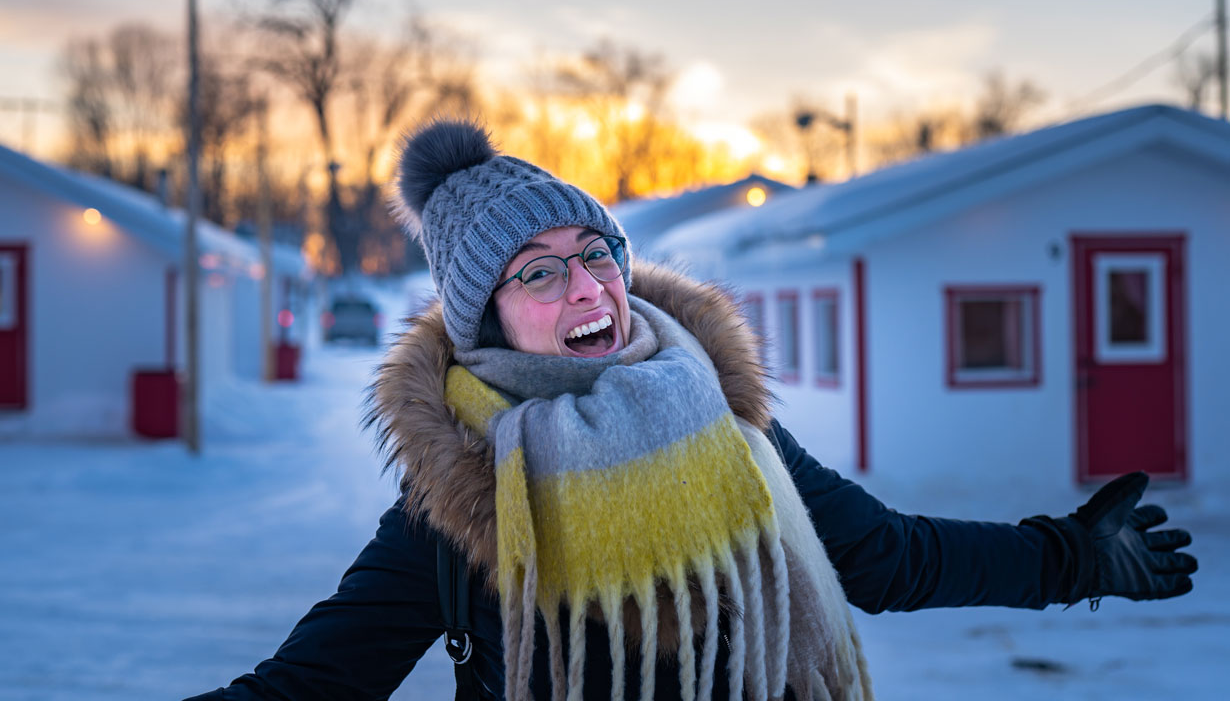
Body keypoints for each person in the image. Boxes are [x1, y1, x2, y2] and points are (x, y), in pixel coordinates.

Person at [186, 120, 1198, 701]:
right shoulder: (462, 497)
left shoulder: (720, 422)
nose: (585, 289)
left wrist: (1070, 557)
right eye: (537, 273)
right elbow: (312, 688)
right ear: (482, 321)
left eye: (594, 255)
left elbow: (885, 558)